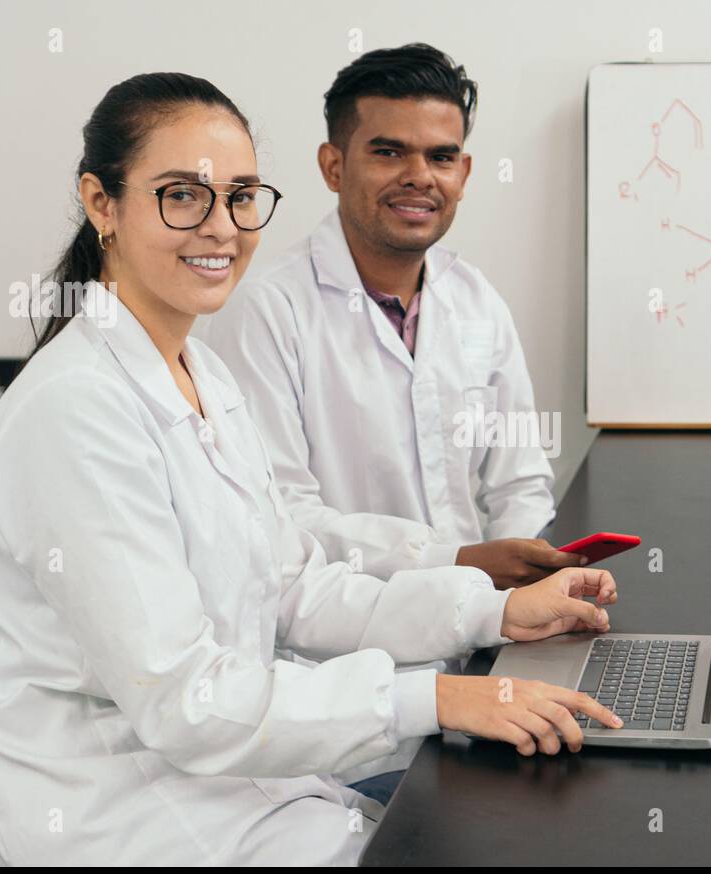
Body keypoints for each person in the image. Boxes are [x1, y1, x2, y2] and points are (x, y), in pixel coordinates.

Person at [0, 72, 621, 867]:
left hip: (247, 787)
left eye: (240, 197)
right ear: (102, 202)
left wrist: (492, 615)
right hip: (133, 821)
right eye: (182, 195)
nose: (222, 227)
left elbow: (295, 583)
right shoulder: (71, 413)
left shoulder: (201, 372)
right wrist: (438, 695)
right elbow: (185, 702)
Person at [199, 44, 577, 596]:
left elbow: (520, 480)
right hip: (338, 657)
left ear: (464, 172)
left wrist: (523, 582)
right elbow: (282, 516)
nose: (420, 177)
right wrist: (457, 562)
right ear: (333, 166)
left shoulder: (477, 302)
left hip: (483, 626)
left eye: (442, 157)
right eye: (389, 153)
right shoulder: (265, 310)